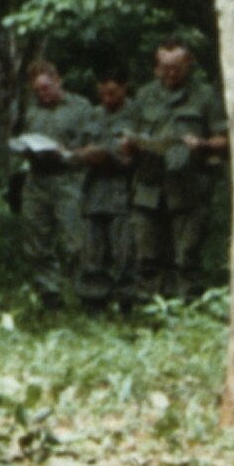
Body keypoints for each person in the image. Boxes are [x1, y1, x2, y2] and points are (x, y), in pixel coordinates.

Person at [122, 38, 228, 299]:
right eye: (164, 67)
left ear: (188, 64)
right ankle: (150, 308)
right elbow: (129, 134)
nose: (170, 73)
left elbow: (223, 139)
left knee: (185, 256)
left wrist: (202, 144)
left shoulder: (204, 95)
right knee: (147, 255)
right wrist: (129, 145)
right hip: (149, 187)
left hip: (188, 188)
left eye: (176, 67)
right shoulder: (145, 95)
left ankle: (186, 309)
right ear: (156, 67)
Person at [14, 61, 98, 308]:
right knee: (36, 238)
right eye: (38, 91)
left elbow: (93, 144)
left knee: (74, 240)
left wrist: (68, 152)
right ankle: (49, 292)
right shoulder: (31, 111)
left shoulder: (81, 108)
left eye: (47, 88)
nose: (43, 94)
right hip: (37, 179)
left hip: (69, 178)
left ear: (58, 80)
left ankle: (85, 291)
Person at [75, 69, 138, 310]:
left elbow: (136, 154)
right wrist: (83, 154)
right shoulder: (93, 115)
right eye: (102, 94)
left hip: (124, 192)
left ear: (124, 88)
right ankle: (94, 300)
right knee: (93, 250)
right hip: (94, 192)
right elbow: (80, 147)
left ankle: (126, 300)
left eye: (112, 93)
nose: (107, 99)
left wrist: (113, 155)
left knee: (124, 252)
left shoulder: (136, 114)